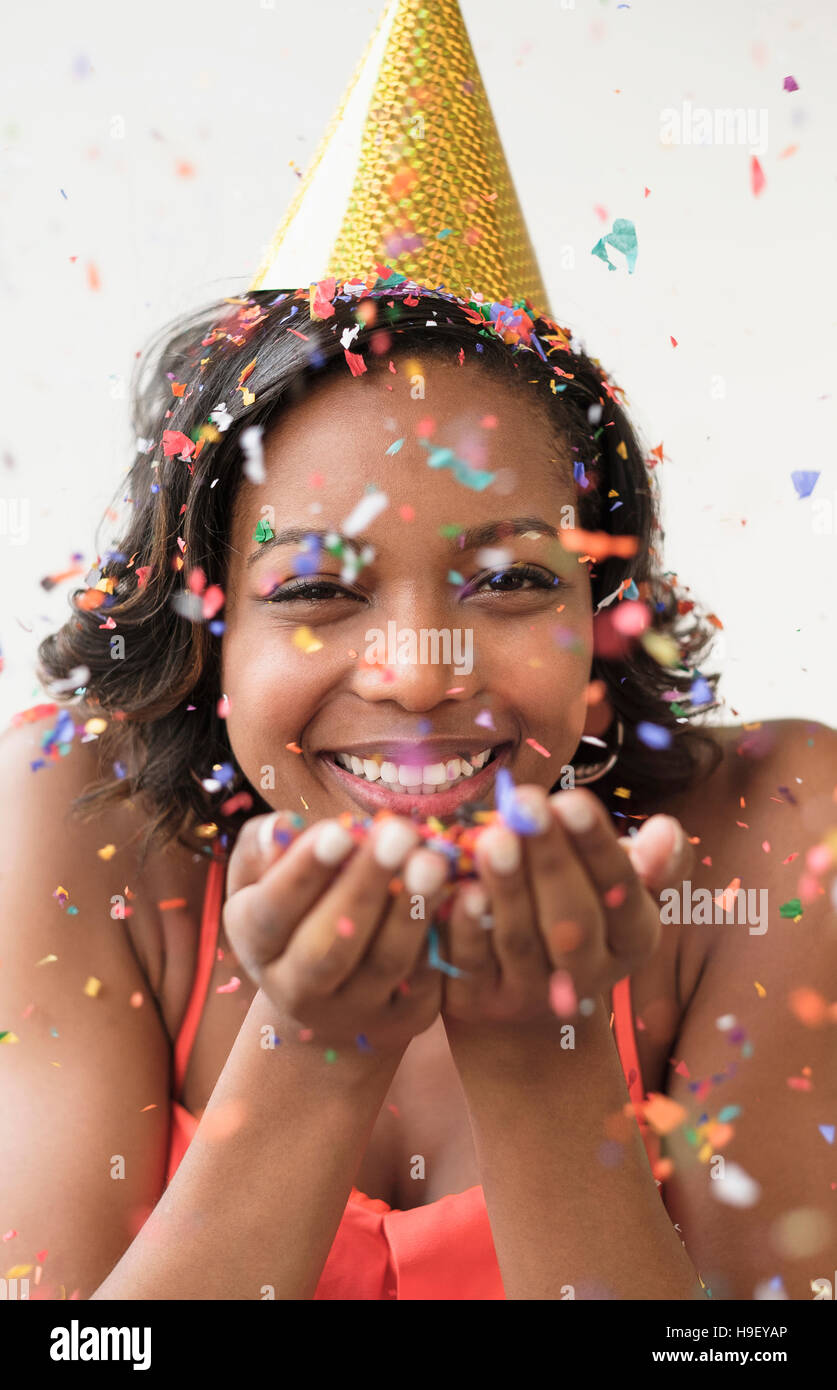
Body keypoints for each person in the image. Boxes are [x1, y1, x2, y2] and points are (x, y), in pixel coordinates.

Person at [2, 283, 834, 1302]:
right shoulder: (78, 812)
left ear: (601, 614)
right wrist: (311, 1049)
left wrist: (547, 1059)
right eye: (315, 590)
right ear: (210, 638)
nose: (419, 673)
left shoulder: (777, 827)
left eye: (511, 580)